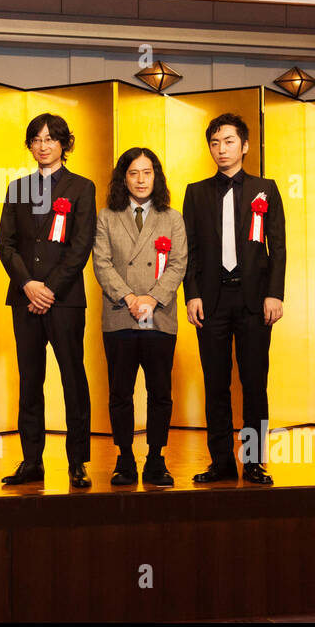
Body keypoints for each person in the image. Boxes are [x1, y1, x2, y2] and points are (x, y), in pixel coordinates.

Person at [182, 113, 285, 486]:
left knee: (255, 383)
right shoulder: (196, 192)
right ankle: (222, 462)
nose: (220, 149)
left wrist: (275, 293)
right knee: (216, 383)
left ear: (244, 146)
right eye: (214, 142)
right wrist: (191, 294)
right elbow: (189, 250)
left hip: (255, 300)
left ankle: (254, 462)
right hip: (211, 301)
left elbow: (279, 247)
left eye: (227, 141)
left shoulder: (266, 189)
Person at [0, 113, 97, 488]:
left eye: (51, 138)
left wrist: (49, 288)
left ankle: (77, 462)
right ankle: (32, 461)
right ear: (30, 145)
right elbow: (5, 243)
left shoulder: (81, 187)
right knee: (29, 380)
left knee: (73, 378)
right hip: (24, 300)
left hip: (65, 300)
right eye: (36, 139)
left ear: (64, 144)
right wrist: (28, 285)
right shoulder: (17, 188)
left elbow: (81, 244)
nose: (43, 145)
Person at [92, 147, 187, 487]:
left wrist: (152, 298)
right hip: (120, 316)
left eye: (147, 172)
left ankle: (157, 459)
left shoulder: (172, 218)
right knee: (120, 392)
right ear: (124, 178)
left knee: (160, 391)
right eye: (134, 173)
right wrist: (130, 297)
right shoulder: (106, 216)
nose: (141, 179)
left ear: (156, 177)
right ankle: (124, 458)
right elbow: (101, 263)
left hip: (159, 316)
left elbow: (178, 264)